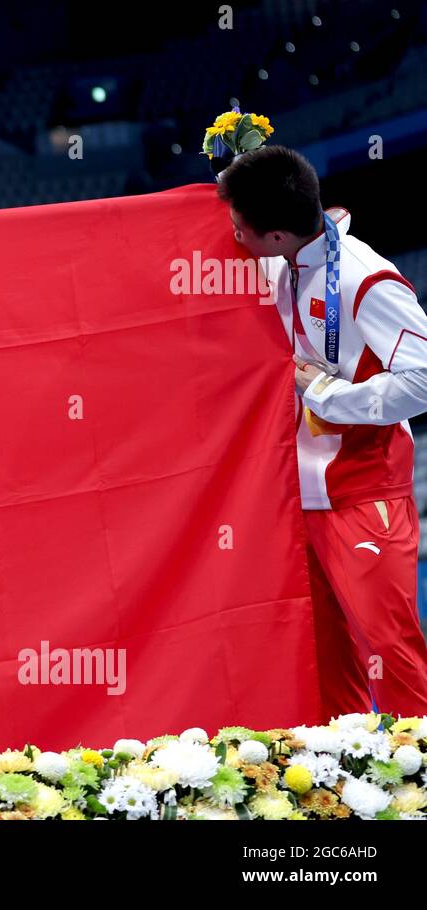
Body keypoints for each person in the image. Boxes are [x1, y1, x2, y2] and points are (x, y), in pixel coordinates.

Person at [217, 145, 427, 718]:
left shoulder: (366, 279)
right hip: (295, 490)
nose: (233, 239)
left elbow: (425, 380)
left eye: (241, 230)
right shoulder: (288, 257)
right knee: (324, 655)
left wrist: (329, 394)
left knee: (391, 649)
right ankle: (351, 774)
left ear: (278, 235)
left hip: (362, 489)